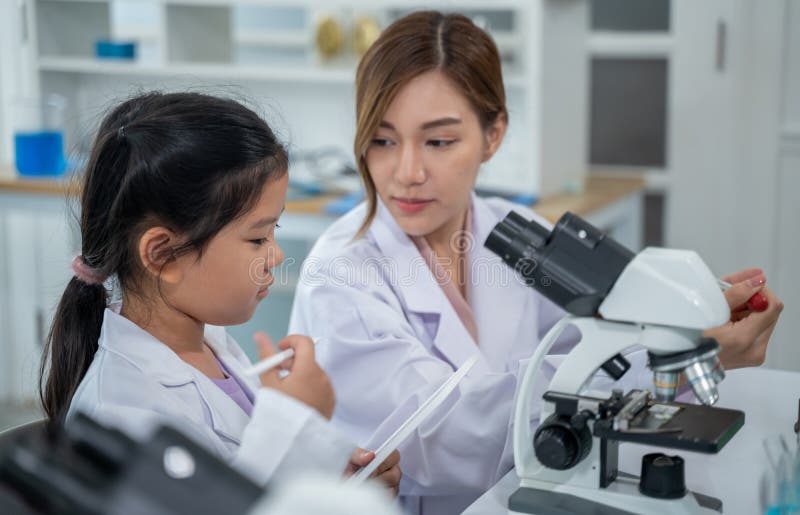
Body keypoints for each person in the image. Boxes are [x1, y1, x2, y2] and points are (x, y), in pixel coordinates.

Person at [288, 11, 784, 514]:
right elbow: (437, 436)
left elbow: (603, 328)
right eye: (382, 139)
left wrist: (687, 324)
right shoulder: (340, 275)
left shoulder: (510, 229)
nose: (407, 171)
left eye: (438, 141)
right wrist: (654, 366)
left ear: (493, 134)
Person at [38, 92, 401, 493]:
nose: (277, 255)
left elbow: (256, 471)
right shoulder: (122, 412)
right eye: (258, 238)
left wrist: (332, 478)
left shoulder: (209, 347)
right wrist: (295, 421)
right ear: (162, 255)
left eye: (274, 230)